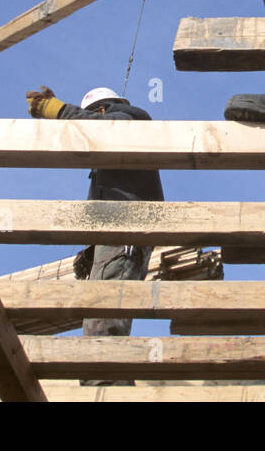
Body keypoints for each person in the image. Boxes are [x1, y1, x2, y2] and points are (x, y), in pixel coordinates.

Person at [26, 84, 163, 384]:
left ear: (100, 110)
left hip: (125, 226)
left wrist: (59, 110)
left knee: (106, 312)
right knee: (98, 313)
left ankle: (106, 385)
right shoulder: (112, 156)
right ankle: (101, 380)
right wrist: (90, 249)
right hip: (117, 230)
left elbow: (105, 130)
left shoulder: (126, 119)